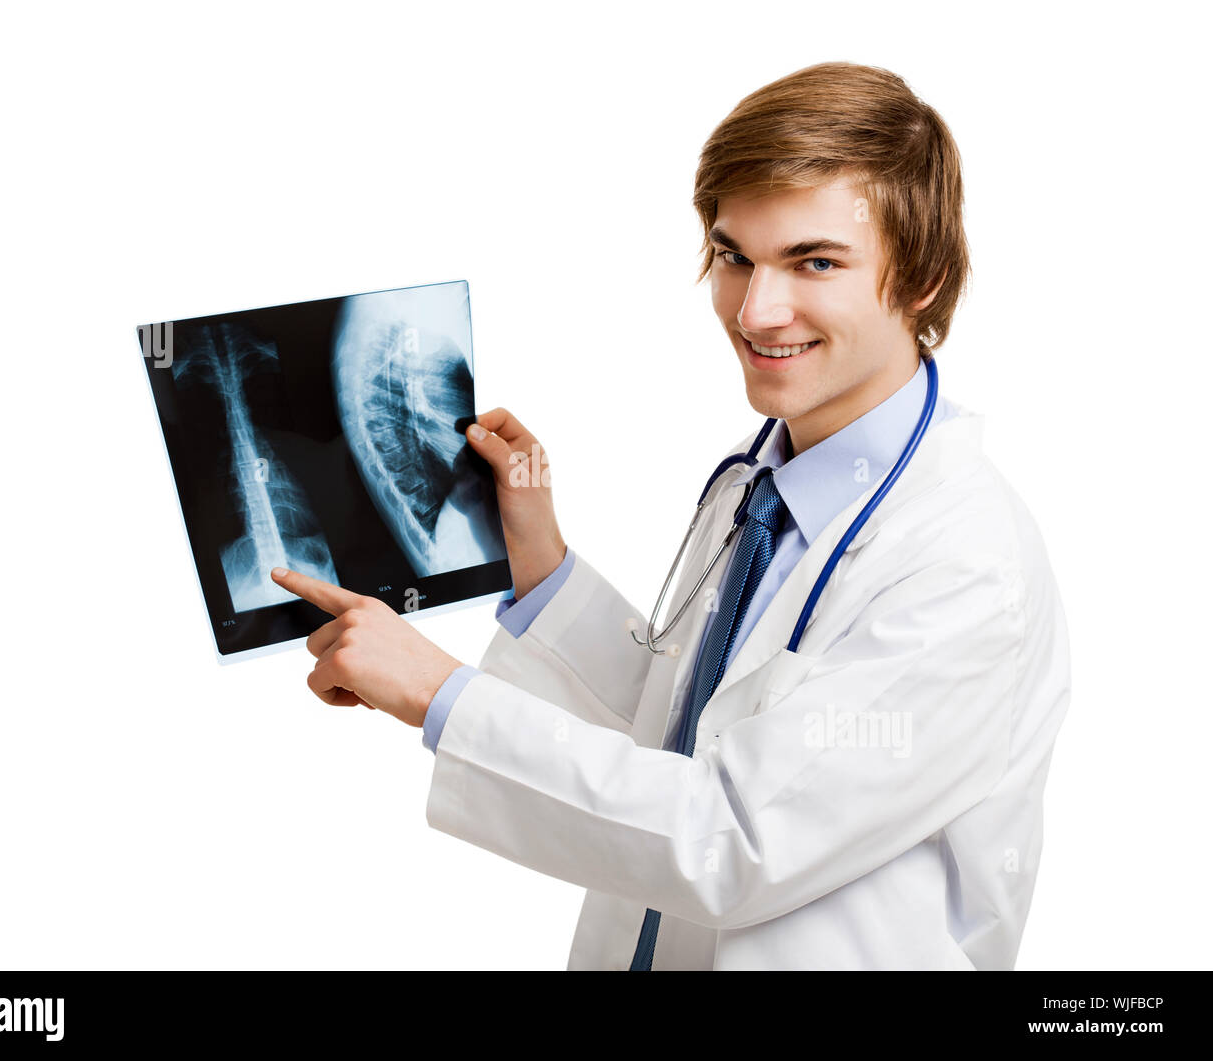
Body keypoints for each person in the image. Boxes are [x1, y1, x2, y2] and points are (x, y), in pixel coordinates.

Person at [270, 61, 1071, 970]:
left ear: (922, 276)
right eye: (736, 256)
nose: (758, 310)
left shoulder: (964, 564)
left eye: (815, 261)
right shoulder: (757, 484)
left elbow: (732, 835)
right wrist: (543, 570)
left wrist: (439, 694)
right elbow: (687, 736)